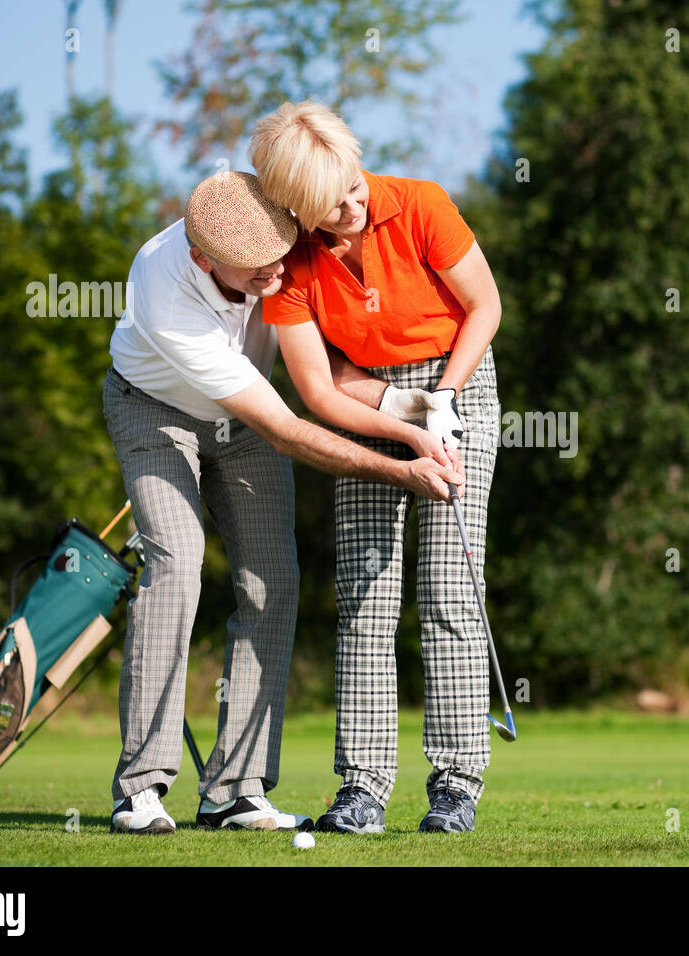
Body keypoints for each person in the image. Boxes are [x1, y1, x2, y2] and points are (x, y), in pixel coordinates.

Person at [103, 170, 462, 835]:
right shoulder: (165, 285)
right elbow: (289, 427)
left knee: (273, 583)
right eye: (255, 267)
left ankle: (235, 792)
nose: (276, 270)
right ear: (203, 257)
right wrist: (400, 470)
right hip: (153, 412)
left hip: (243, 422)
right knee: (177, 569)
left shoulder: (280, 243)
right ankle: (141, 789)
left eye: (278, 252)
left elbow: (334, 372)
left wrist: (423, 408)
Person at [249, 100, 503, 833]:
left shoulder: (422, 205)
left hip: (460, 378)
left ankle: (456, 784)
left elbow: (484, 307)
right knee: (365, 589)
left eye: (355, 186)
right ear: (298, 207)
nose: (353, 205)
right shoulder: (291, 264)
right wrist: (407, 420)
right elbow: (318, 391)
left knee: (450, 589)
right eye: (333, 204)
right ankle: (362, 786)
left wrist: (444, 401)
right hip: (367, 395)